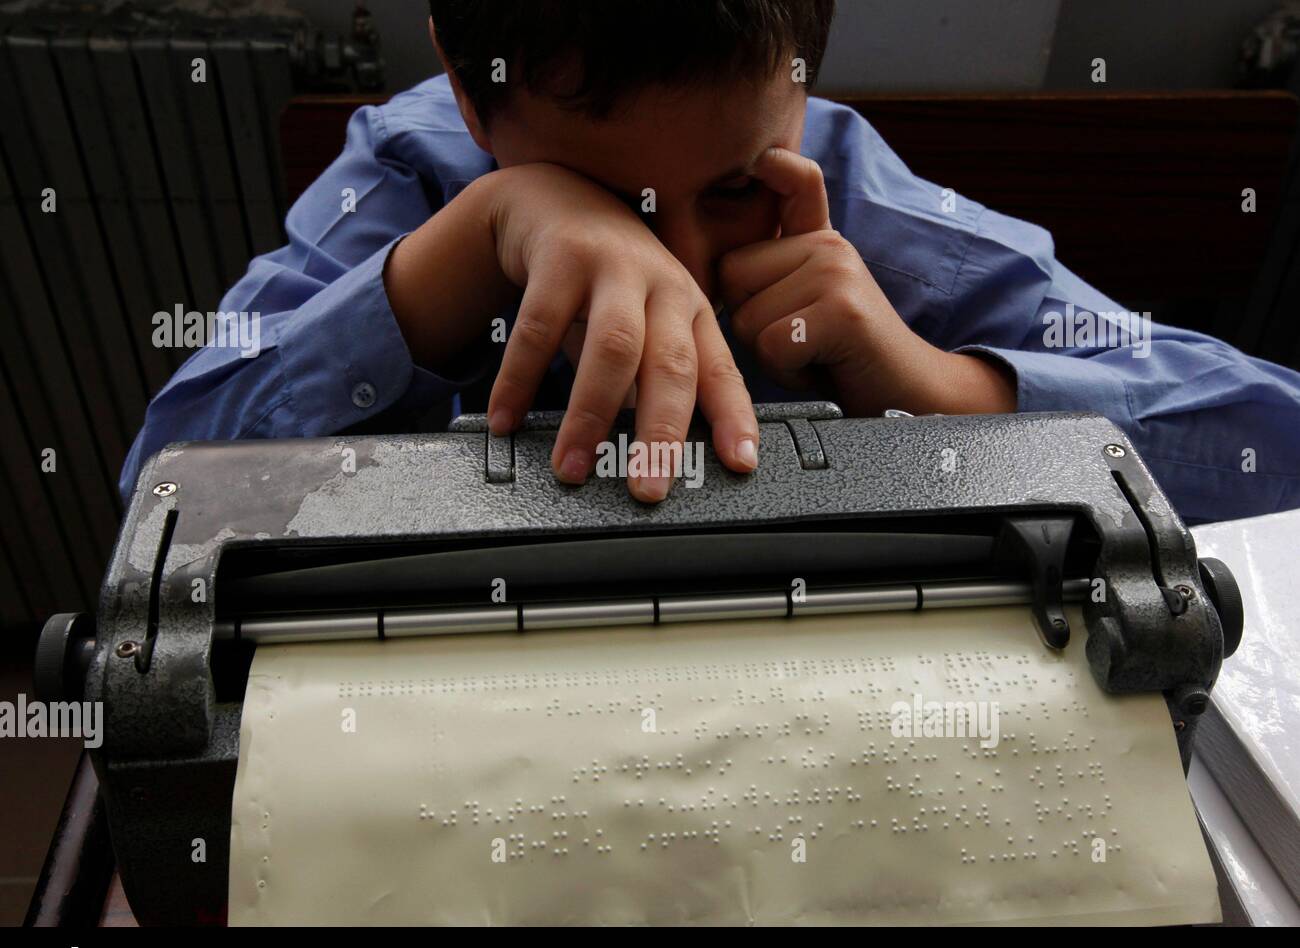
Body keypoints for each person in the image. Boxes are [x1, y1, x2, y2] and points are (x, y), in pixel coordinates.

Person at [121, 1, 1300, 522]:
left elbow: (1271, 440)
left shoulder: (857, 197)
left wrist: (938, 386)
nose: (672, 264)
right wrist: (463, 257)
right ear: (469, 91)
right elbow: (155, 492)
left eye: (733, 187)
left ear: (805, 74)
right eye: (594, 191)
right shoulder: (404, 175)